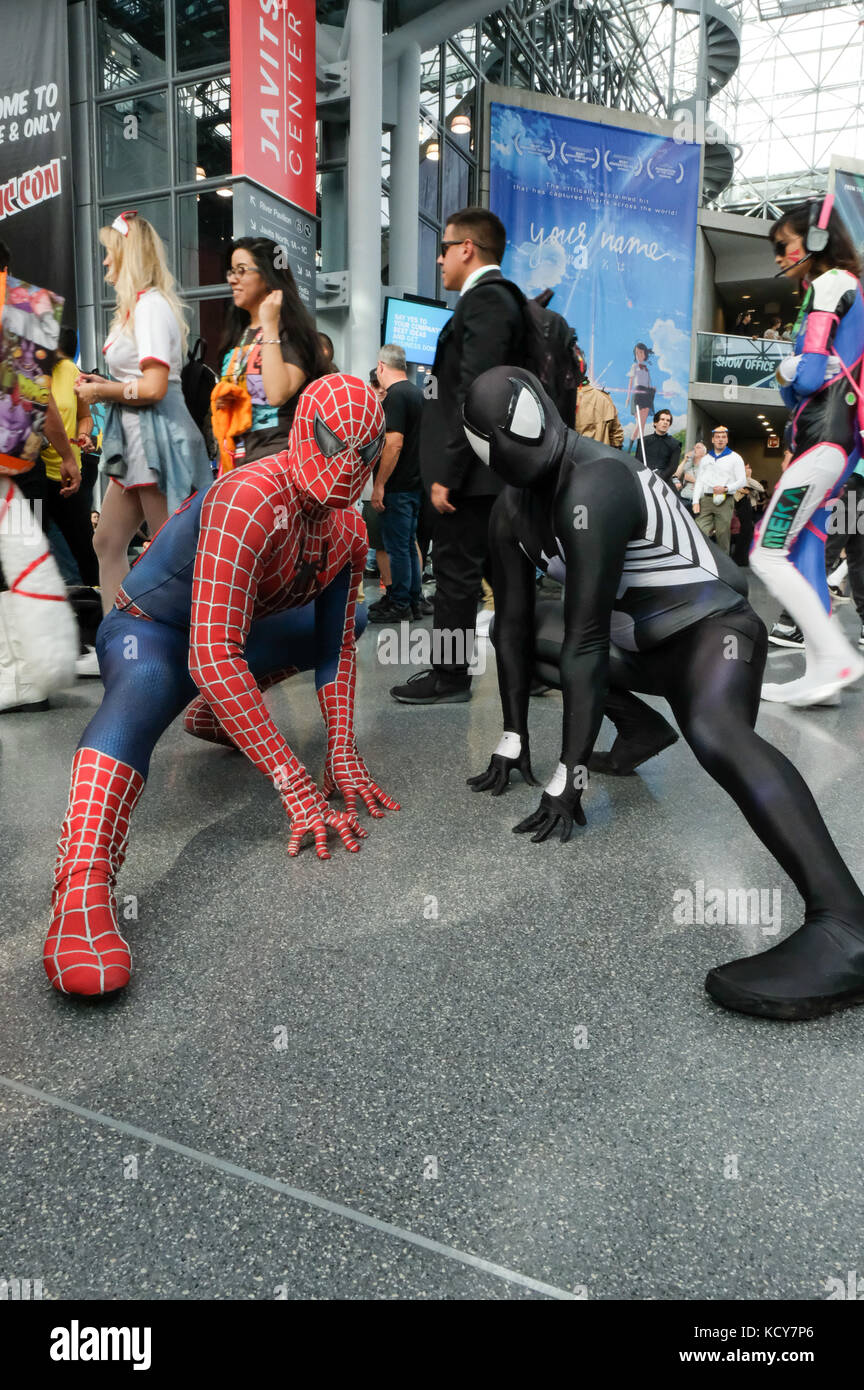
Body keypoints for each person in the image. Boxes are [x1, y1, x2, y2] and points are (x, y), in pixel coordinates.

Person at [463, 365, 864, 1022]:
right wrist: (513, 737)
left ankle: (848, 923)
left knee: (717, 732)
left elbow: (588, 639)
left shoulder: (599, 478)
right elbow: (510, 624)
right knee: (527, 626)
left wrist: (571, 776)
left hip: (714, 631)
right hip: (645, 644)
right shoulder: (513, 511)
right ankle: (643, 729)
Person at [43, 375, 398, 998]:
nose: (346, 468)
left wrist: (341, 751)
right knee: (149, 684)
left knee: (352, 619)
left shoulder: (347, 530)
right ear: (304, 432)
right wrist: (297, 786)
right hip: (151, 628)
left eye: (360, 456)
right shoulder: (250, 494)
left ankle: (216, 715)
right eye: (334, 446)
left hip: (229, 632)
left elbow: (336, 647)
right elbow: (210, 654)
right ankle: (81, 884)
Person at [390, 206, 531, 705]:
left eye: (444, 248)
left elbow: (476, 392)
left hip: (473, 475)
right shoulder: (494, 303)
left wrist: (448, 471)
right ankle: (532, 667)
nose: (439, 260)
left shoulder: (487, 303)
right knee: (501, 575)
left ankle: (450, 676)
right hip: (487, 473)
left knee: (455, 573)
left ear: (467, 248)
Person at [752, 197, 864, 707]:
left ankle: (837, 659)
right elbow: (797, 388)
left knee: (767, 552)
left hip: (823, 441)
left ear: (814, 242)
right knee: (805, 551)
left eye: (783, 246)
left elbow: (809, 378)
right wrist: (791, 374)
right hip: (831, 444)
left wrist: (786, 369)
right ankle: (824, 674)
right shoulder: (837, 288)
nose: (778, 256)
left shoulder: (830, 284)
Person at [74, 212, 214, 614]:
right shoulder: (141, 307)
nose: (104, 261)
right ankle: (120, 638)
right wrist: (101, 385)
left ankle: (188, 643)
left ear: (128, 255)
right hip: (140, 440)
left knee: (172, 553)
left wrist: (102, 390)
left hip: (156, 439)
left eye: (110, 253)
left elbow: (153, 387)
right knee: (108, 542)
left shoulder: (151, 307)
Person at [213, 238, 329, 474]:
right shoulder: (239, 333)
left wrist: (269, 325)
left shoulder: (293, 333)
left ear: (267, 276)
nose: (232, 279)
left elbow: (277, 394)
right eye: (231, 271)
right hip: (235, 463)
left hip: (277, 465)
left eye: (242, 271)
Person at [369, 344, 425, 623]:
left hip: (398, 486)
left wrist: (379, 485)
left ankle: (400, 602)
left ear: (381, 366)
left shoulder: (395, 396)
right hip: (415, 483)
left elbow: (394, 443)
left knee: (397, 547)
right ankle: (410, 600)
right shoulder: (417, 393)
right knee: (407, 544)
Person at [691, 426, 746, 553]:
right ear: (712, 440)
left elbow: (742, 480)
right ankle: (702, 561)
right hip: (706, 499)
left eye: (723, 437)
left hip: (725, 500)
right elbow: (699, 480)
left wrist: (726, 488)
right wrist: (695, 501)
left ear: (727, 440)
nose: (720, 440)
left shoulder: (735, 457)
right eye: (717, 437)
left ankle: (724, 566)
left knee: (722, 534)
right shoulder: (706, 459)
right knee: (699, 530)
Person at [574, 377, 624, 448]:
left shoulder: (566, 400)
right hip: (604, 455)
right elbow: (617, 437)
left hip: (577, 457)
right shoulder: (605, 397)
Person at [624, 342, 654, 454]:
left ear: (645, 354)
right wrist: (627, 397)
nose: (638, 355)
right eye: (636, 353)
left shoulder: (646, 368)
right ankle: (630, 449)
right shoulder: (634, 366)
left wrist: (652, 390)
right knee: (638, 424)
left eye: (640, 352)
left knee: (642, 424)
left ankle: (639, 451)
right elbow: (630, 383)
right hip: (638, 394)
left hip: (647, 395)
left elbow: (648, 383)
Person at [640, 408, 681, 482]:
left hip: (664, 482)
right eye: (662, 419)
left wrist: (659, 479)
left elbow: (673, 467)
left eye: (668, 420)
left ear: (669, 424)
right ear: (655, 423)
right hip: (644, 479)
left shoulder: (675, 444)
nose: (665, 422)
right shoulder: (643, 441)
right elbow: (638, 462)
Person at [672, 441, 705, 513]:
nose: (694, 449)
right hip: (684, 499)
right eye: (694, 447)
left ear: (704, 453)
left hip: (699, 502)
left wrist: (695, 481)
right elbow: (676, 475)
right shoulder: (688, 464)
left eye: (698, 447)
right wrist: (685, 460)